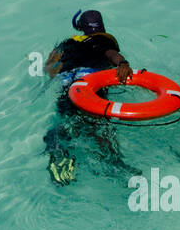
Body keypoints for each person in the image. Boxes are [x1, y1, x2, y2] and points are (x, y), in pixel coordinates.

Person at [42, 10, 134, 185]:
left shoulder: (67, 43)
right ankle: (113, 163)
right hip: (91, 82)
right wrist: (123, 63)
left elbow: (49, 67)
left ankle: (58, 158)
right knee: (100, 125)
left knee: (65, 120)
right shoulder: (105, 39)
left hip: (69, 85)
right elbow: (111, 54)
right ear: (102, 27)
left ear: (81, 28)